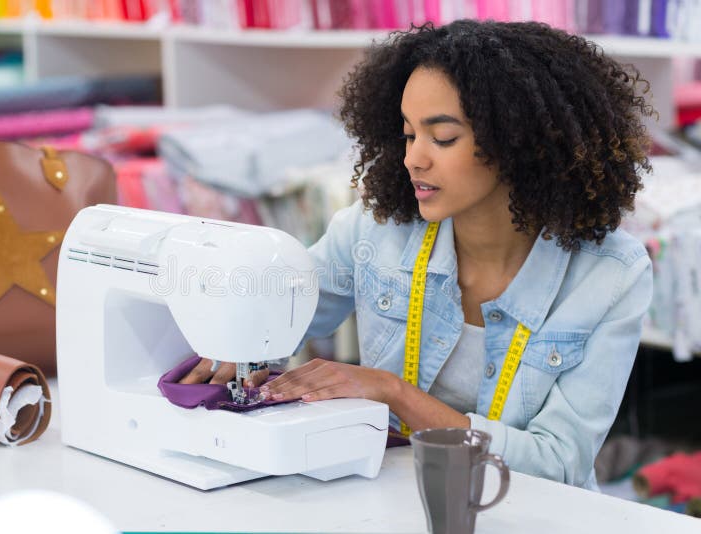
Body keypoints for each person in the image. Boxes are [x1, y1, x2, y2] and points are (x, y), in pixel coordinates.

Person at [181, 19, 654, 490]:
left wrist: (393, 392)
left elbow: (558, 463)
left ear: (518, 142)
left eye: (442, 137)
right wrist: (235, 343)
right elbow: (281, 309)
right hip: (389, 494)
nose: (413, 158)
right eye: (408, 135)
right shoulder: (374, 231)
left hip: (529, 510)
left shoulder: (611, 276)